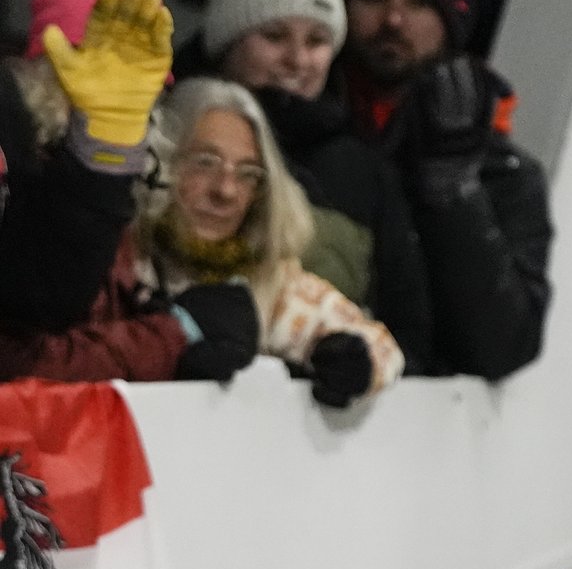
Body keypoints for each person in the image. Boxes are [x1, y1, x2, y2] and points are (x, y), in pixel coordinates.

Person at [173, 0, 434, 373]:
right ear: (226, 42)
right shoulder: (167, 137)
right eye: (274, 36)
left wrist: (352, 367)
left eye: (316, 41)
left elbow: (408, 338)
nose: (297, 61)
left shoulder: (363, 172)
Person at [0, 0, 258, 385]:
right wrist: (172, 337)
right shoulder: (19, 188)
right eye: (91, 61)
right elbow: (23, 360)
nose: (114, 93)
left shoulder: (141, 196)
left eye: (140, 83)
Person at [323, 0, 553, 379]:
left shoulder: (502, 173)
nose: (393, 19)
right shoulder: (297, 132)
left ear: (454, 19)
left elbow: (501, 349)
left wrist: (454, 195)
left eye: (419, 0)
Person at [133, 77, 404, 406]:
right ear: (160, 162)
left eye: (248, 173)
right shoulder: (122, 263)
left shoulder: (272, 283)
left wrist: (354, 364)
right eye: (205, 163)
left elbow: (382, 348)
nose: (226, 190)